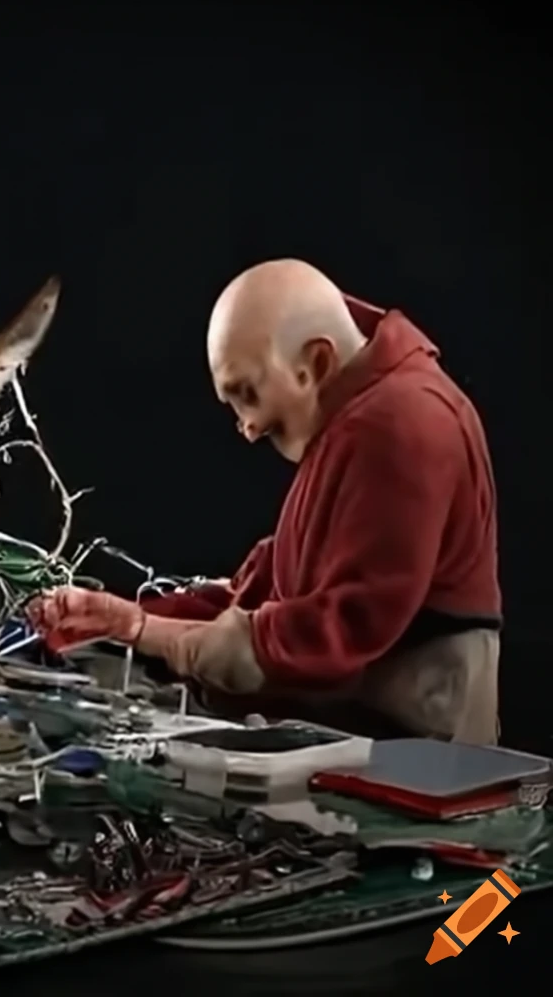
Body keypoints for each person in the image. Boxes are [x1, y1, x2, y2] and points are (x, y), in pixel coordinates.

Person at [27, 259, 501, 744]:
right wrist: (117, 616)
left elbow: (328, 638)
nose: (249, 429)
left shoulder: (404, 425)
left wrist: (144, 630)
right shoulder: (359, 419)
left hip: (412, 772)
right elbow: (269, 592)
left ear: (316, 363)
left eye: (247, 395)